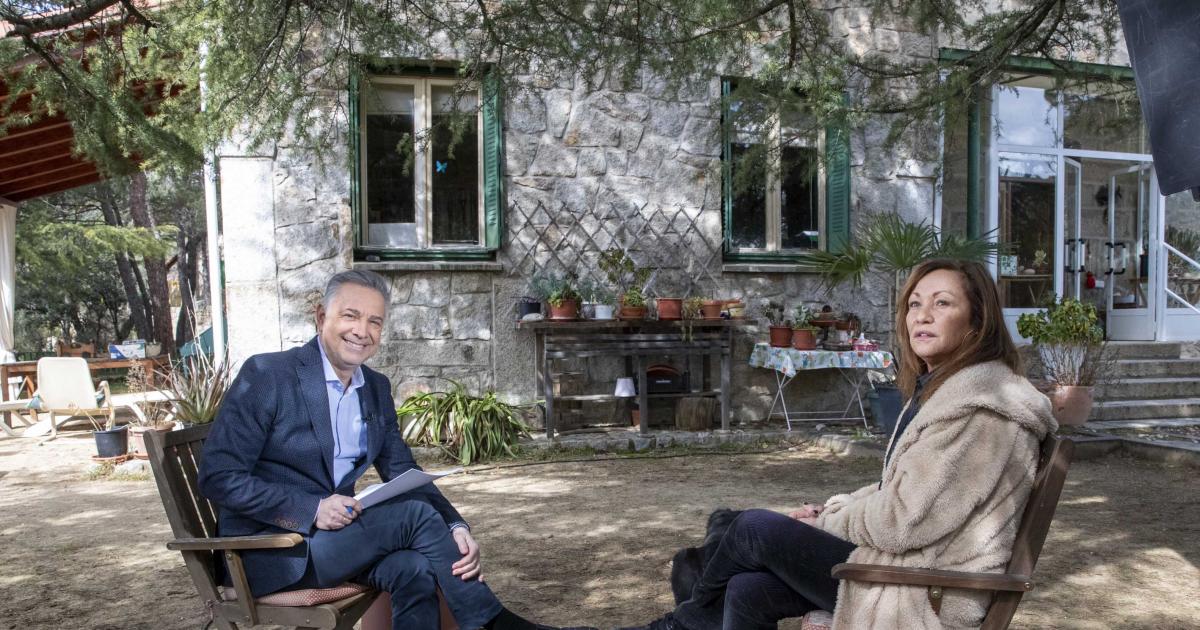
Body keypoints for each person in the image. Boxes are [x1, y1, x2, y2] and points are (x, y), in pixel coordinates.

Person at [621, 258, 1057, 630]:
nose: (921, 316)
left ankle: (682, 621)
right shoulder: (954, 394)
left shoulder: (981, 413)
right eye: (914, 304)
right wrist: (833, 509)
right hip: (909, 569)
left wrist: (825, 523)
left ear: (977, 322)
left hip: (931, 591)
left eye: (942, 303)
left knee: (751, 528)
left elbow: (904, 520)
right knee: (745, 583)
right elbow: (903, 494)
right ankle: (697, 583)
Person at [198, 269, 594, 630]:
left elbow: (405, 473)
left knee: (413, 567)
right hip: (270, 552)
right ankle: (492, 625)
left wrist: (456, 526)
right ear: (322, 318)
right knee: (413, 518)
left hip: (333, 545)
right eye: (350, 316)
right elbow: (218, 477)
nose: (362, 331)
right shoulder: (269, 375)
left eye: (375, 321)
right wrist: (313, 509)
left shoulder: (375, 387)